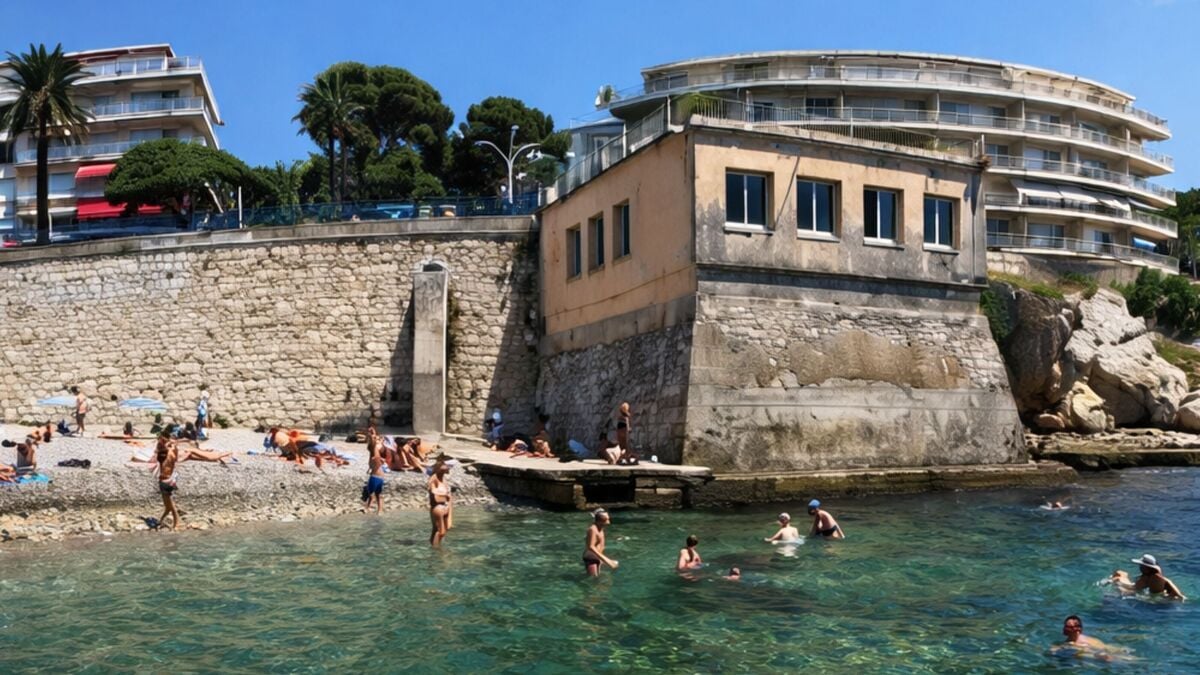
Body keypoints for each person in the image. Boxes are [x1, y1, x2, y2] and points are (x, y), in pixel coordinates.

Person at [1111, 554, 1187, 600]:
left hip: (1158, 599)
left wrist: (1117, 584)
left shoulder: (1153, 577)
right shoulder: (1151, 576)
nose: (1140, 567)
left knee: (1119, 580)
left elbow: (1135, 589)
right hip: (1154, 595)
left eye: (1142, 566)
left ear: (1147, 568)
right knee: (1119, 574)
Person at [156, 438, 183, 531]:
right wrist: (172, 446)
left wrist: (170, 445)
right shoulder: (168, 454)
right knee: (167, 506)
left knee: (171, 506)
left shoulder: (167, 455)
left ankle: (176, 524)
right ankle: (161, 520)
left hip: (165, 482)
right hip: (166, 481)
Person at [583, 508, 619, 577]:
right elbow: (591, 546)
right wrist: (607, 561)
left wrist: (602, 560)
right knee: (594, 580)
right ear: (599, 521)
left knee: (598, 578)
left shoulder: (600, 528)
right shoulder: (593, 529)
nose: (609, 522)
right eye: (606, 520)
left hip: (597, 558)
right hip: (591, 559)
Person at [428, 459, 452, 546]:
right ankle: (436, 551)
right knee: (440, 532)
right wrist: (445, 495)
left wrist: (450, 515)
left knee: (439, 531)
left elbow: (450, 498)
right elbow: (435, 496)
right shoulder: (433, 479)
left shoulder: (443, 479)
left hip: (444, 507)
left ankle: (434, 547)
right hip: (437, 508)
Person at [362, 442, 386, 515]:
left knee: (372, 495)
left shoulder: (376, 458)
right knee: (378, 495)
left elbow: (374, 450)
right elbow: (374, 450)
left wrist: (374, 441)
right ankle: (380, 510)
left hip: (374, 478)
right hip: (380, 478)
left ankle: (368, 508)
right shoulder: (378, 459)